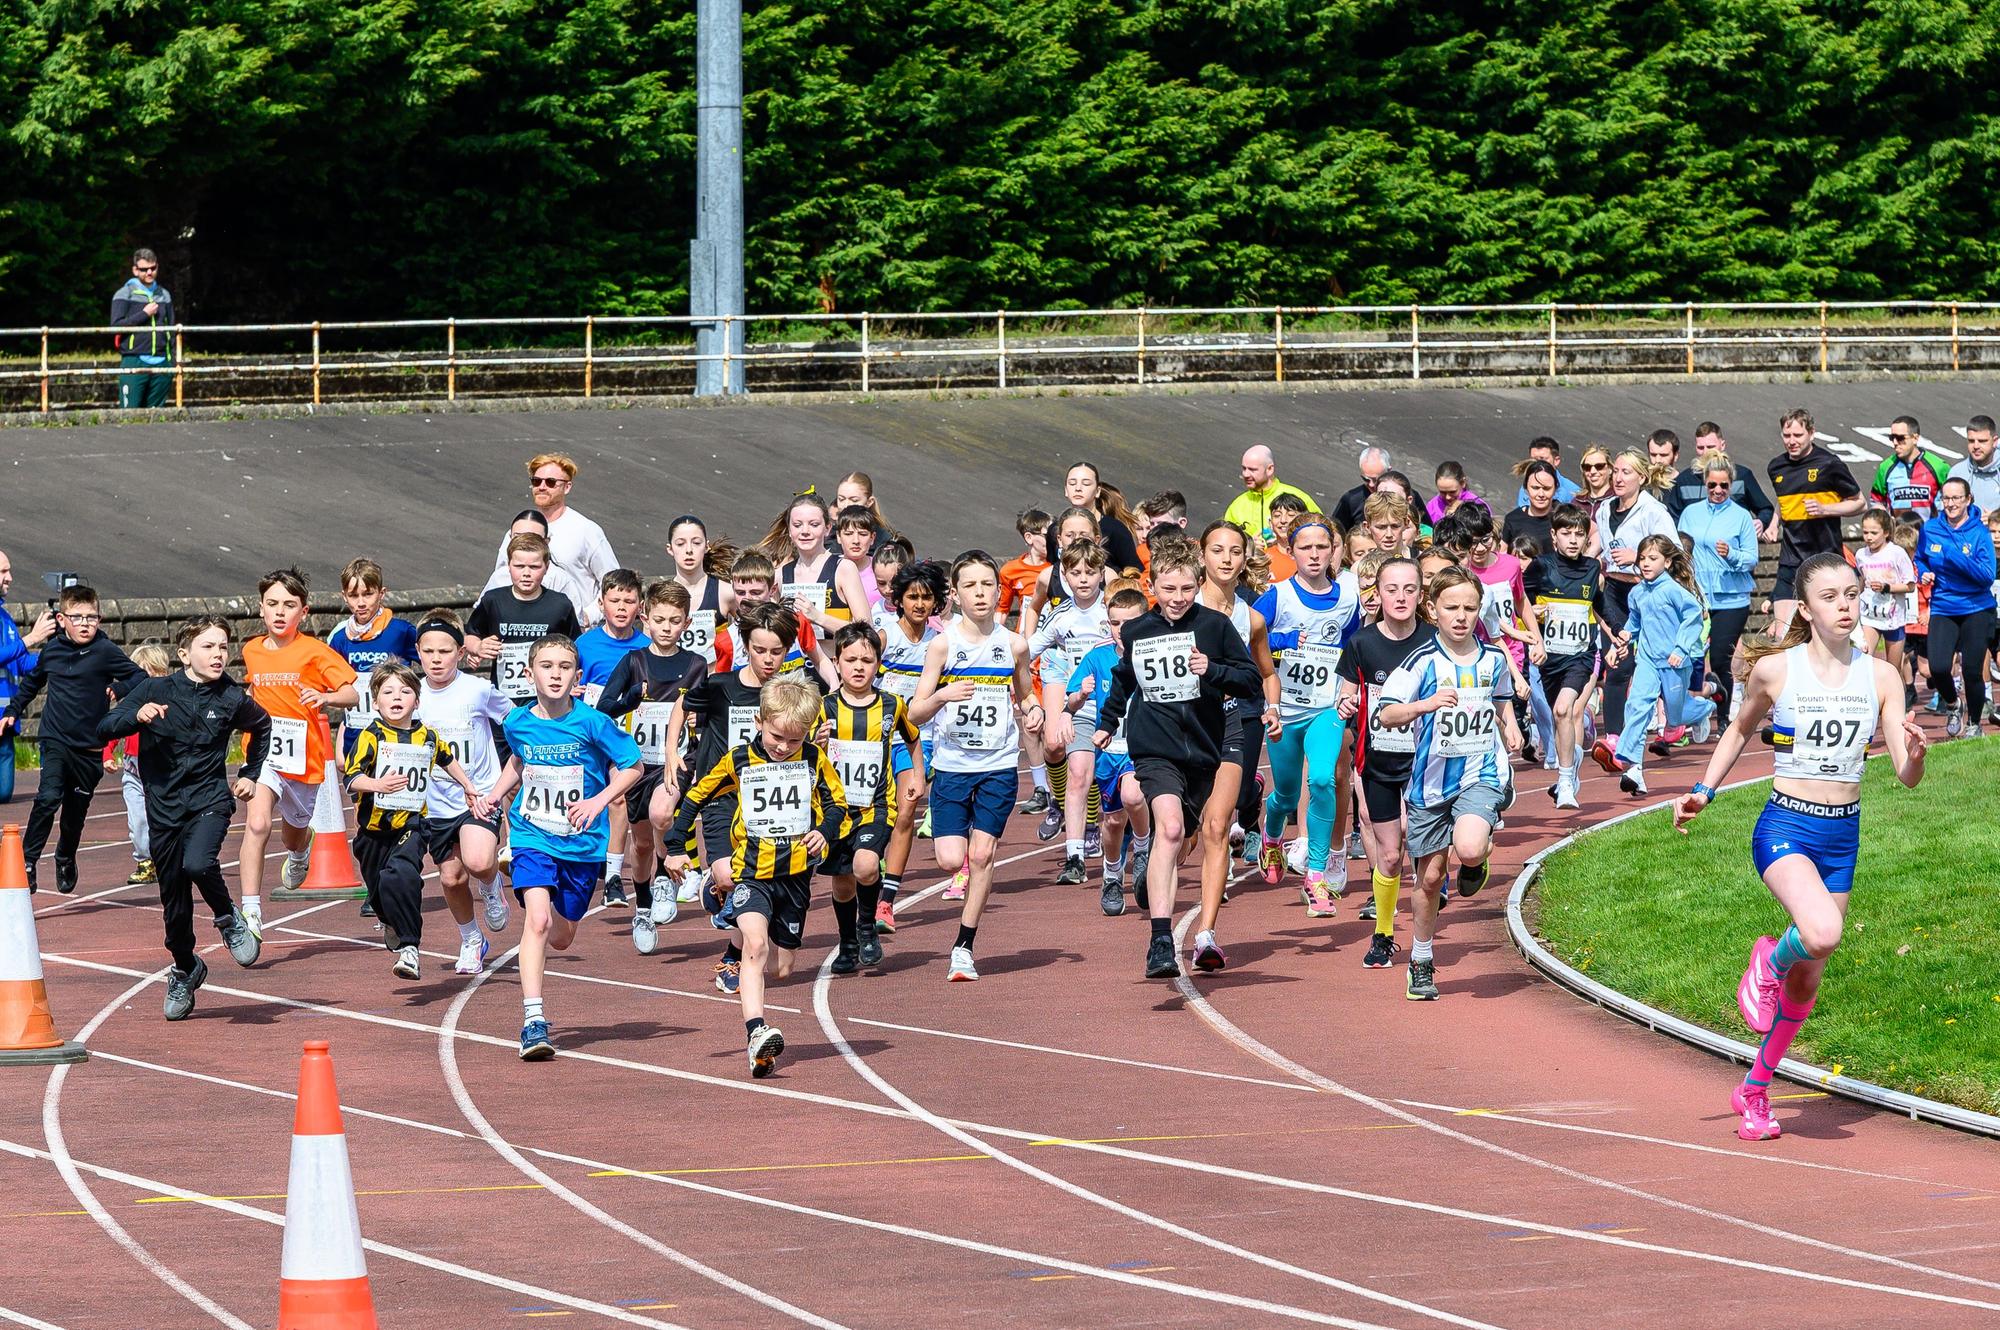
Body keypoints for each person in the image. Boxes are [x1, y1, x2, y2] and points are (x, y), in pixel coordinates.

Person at [1674, 552, 1926, 1142]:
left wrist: (1914, 754)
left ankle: (1754, 1091)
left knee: (1808, 982)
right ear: (1807, 609)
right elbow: (1738, 730)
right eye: (1830, 596)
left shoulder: (1881, 676)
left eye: (1851, 593)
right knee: (1820, 933)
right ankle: (1766, 959)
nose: (1844, 605)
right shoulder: (1778, 671)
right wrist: (1701, 792)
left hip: (1843, 833)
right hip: (1787, 824)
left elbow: (1905, 776)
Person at [1092, 534, 1261, 979]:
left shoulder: (1215, 627)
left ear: (1197, 583)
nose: (1178, 598)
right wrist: (1108, 723)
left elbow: (1250, 682)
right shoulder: (1137, 630)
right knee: (1168, 828)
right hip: (1157, 749)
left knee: (1198, 831)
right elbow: (1124, 682)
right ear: (1153, 586)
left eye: (1187, 589)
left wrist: (1215, 669)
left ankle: (1187, 916)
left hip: (1207, 749)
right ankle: (1161, 940)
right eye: (1169, 589)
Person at [663, 677, 847, 1077]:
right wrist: (675, 843)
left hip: (795, 876)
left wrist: (823, 831)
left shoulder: (815, 760)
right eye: (777, 736)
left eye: (794, 741)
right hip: (752, 873)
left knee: (783, 968)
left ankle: (718, 894)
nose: (783, 747)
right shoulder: (739, 758)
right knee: (755, 946)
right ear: (761, 721)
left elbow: (837, 806)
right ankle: (756, 1032)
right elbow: (696, 796)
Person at [97, 616, 268, 1018]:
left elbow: (263, 726)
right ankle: (185, 967)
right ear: (184, 653)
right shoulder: (156, 688)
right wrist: (134, 717)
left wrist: (248, 773)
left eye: (223, 647)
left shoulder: (231, 697)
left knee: (199, 862)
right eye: (208, 647)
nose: (218, 655)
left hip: (208, 799)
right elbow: (104, 727)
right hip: (164, 809)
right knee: (174, 903)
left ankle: (229, 919)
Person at [488, 634, 643, 1060]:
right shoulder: (516, 722)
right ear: (529, 673)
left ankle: (563, 911)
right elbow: (519, 761)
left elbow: (634, 766)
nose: (554, 674)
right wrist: (493, 792)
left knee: (561, 934)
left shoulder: (593, 723)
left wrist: (598, 801)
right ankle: (533, 1021)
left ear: (577, 678)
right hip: (532, 832)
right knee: (536, 920)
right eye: (546, 666)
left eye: (563, 668)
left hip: (581, 842)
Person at [1375, 566, 1522, 1001]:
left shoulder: (1494, 659)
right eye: (1451, 607)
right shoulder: (1421, 661)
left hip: (1481, 772)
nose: (1461, 616)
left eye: (1470, 608)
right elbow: (1387, 713)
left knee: (1472, 845)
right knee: (1431, 878)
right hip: (1429, 785)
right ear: (1433, 610)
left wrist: (1508, 724)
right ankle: (1421, 959)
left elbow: (1500, 697)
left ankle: (1476, 860)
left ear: (1480, 611)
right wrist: (1426, 704)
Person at [908, 551, 1041, 982]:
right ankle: (957, 855)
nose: (980, 593)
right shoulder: (943, 645)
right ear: (956, 594)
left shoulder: (1013, 645)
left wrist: (1034, 710)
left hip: (998, 765)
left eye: (987, 584)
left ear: (997, 591)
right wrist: (944, 695)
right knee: (952, 860)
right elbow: (915, 712)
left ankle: (964, 946)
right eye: (970, 585)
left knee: (982, 854)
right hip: (951, 765)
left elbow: (1025, 694)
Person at [342, 663, 489, 981]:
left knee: (403, 875)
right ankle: (389, 919)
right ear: (376, 701)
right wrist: (376, 785)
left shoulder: (427, 736)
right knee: (379, 891)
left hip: (412, 823)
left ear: (417, 701)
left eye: (406, 691)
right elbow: (351, 779)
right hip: (372, 832)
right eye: (388, 692)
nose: (397, 697)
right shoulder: (372, 737)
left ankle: (410, 949)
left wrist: (467, 786)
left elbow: (447, 758)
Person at [236, 568, 360, 934]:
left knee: (295, 831)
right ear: (261, 609)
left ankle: (298, 853)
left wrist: (325, 696)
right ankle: (251, 913)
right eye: (272, 604)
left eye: (289, 605)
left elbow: (351, 694)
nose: (279, 612)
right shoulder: (251, 650)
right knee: (257, 823)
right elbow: (254, 690)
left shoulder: (314, 651)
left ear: (303, 613)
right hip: (263, 754)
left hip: (302, 759)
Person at [1, 583, 143, 893]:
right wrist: (13, 709)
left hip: (89, 747)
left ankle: (65, 855)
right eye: (77, 617)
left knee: (75, 813)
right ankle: (27, 861)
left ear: (100, 620)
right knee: (48, 797)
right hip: (55, 740)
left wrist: (118, 690)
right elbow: (32, 683)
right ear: (62, 619)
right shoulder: (52, 650)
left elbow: (138, 676)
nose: (84, 624)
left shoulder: (105, 651)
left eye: (91, 618)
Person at [1253, 516, 1360, 914]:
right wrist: (1280, 640)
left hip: (1327, 710)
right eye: (1305, 547)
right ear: (1291, 551)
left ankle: (1316, 876)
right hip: (1284, 711)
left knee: (1321, 780)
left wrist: (1352, 695)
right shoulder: (1278, 597)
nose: (1314, 554)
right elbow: (1246, 636)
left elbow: (1355, 650)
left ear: (1333, 550)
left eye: (1322, 547)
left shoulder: (1348, 599)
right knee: (1284, 794)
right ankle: (1272, 832)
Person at [594, 579, 704, 953]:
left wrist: (696, 723)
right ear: (645, 619)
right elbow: (603, 708)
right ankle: (642, 908)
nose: (667, 627)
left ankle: (664, 879)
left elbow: (705, 714)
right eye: (659, 620)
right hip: (637, 764)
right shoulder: (634, 661)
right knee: (639, 844)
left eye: (675, 621)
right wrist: (630, 700)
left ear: (687, 623)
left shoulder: (695, 665)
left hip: (676, 761)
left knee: (662, 813)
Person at [1188, 520, 1278, 965]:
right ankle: (1157, 860)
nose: (1226, 559)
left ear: (1245, 560)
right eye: (1217, 550)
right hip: (1186, 724)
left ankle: (1205, 934)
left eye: (1235, 551)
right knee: (1187, 826)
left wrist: (1272, 707)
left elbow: (1266, 674)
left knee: (1220, 823)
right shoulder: (1182, 606)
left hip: (1237, 719)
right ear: (1202, 555)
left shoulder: (1252, 617)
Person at [1337, 556, 1433, 967]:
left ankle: (1431, 905)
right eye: (1391, 589)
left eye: (1409, 589)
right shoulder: (1362, 642)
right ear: (1377, 594)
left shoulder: (1434, 640)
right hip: (1378, 759)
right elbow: (1344, 691)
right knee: (1390, 856)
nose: (1400, 597)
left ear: (1420, 594)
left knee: (1418, 838)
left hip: (1426, 760)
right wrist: (1345, 703)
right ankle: (1383, 933)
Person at [411, 610, 515, 967]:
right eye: (429, 652)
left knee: (479, 860)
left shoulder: (478, 690)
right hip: (435, 804)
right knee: (452, 878)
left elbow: (513, 718)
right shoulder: (412, 695)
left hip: (481, 793)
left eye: (445, 651)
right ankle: (472, 939)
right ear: (418, 652)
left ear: (460, 652)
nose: (436, 659)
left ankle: (490, 887)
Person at [818, 622, 921, 974]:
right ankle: (847, 941)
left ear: (879, 664)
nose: (859, 667)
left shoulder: (891, 705)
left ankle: (866, 927)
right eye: (851, 659)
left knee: (864, 865)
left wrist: (917, 775)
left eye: (867, 659)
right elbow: (805, 753)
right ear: (836, 663)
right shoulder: (824, 707)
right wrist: (816, 744)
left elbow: (912, 738)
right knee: (842, 881)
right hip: (833, 810)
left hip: (875, 806)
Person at [1591, 535, 1714, 794]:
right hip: (1647, 660)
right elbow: (1634, 622)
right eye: (1642, 558)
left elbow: (1694, 618)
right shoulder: (1636, 593)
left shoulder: (1675, 591)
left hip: (1674, 663)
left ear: (1668, 562)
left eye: (1653, 558)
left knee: (1676, 715)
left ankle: (1704, 708)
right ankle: (1632, 768)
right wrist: (1619, 644)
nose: (1645, 564)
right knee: (1637, 706)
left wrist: (1681, 648)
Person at [1032, 540, 1113, 886]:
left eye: (1090, 572)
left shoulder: (1112, 611)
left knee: (1122, 788)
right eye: (1075, 573)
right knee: (1079, 774)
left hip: (1115, 708)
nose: (1083, 579)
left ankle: (1133, 845)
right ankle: (1075, 857)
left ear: (1101, 574)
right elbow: (1028, 648)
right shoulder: (1060, 615)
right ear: (1064, 576)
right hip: (1079, 707)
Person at [873, 561, 946, 933]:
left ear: (936, 602)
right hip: (873, 738)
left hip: (914, 738)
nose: (919, 604)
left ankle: (886, 902)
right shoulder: (885, 636)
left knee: (906, 811)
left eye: (926, 597)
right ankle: (871, 870)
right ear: (898, 600)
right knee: (876, 819)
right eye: (912, 596)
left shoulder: (939, 642)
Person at [1591, 449, 1678, 754]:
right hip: (1615, 590)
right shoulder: (1603, 510)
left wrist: (1638, 558)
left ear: (1641, 477)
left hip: (1648, 594)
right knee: (1617, 662)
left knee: (1660, 663)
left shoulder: (1653, 511)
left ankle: (1677, 715)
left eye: (1626, 472)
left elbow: (1675, 553)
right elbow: (1599, 548)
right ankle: (1614, 737)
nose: (1617, 477)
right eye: (1615, 471)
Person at [1524, 504, 1601, 808]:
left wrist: (1618, 630)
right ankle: (1572, 761)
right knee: (1562, 720)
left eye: (1579, 534)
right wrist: (1533, 614)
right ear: (1554, 536)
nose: (1572, 540)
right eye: (1566, 533)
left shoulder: (1592, 569)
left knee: (1562, 710)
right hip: (1549, 658)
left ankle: (1565, 781)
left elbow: (1601, 604)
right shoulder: (1541, 566)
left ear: (1586, 539)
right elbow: (1521, 601)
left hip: (1581, 655)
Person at [1677, 453, 1762, 728]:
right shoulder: (1690, 514)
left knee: (1720, 658)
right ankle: (1692, 709)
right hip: (1698, 596)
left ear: (1731, 486)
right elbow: (1679, 549)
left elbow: (1752, 558)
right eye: (1713, 485)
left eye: (1724, 486)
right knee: (1689, 654)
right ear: (1705, 483)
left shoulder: (1740, 517)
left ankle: (1724, 718)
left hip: (1731, 598)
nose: (1718, 491)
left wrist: (1732, 555)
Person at [1767, 407, 1863, 636]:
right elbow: (1786, 501)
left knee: (1824, 632)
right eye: (1787, 436)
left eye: (1798, 435)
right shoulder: (1776, 467)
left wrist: (1825, 509)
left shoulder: (1829, 463)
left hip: (1823, 557)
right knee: (1783, 634)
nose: (1792, 441)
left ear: (1811, 433)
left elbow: (1860, 502)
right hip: (1790, 559)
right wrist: (1774, 523)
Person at [1914, 477, 1997, 738]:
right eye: (1946, 499)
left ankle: (1974, 724)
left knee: (1972, 669)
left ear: (1967, 500)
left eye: (1956, 498)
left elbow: (1986, 576)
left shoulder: (1979, 532)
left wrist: (1954, 555)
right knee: (1938, 667)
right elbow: (1920, 558)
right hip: (1943, 606)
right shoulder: (1931, 528)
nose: (1950, 504)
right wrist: (1925, 573)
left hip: (1977, 607)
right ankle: (1953, 704)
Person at [490, 455, 620, 621]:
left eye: (550, 482)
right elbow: (501, 576)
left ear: (567, 487)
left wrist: (589, 615)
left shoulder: (586, 530)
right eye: (536, 481)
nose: (542, 487)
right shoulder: (517, 530)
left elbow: (613, 581)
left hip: (573, 628)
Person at [466, 533, 583, 707]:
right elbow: (470, 635)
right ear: (508, 566)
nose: (526, 573)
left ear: (547, 567)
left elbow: (576, 647)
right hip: (505, 701)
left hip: (549, 701)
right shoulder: (493, 600)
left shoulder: (560, 604)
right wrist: (478, 647)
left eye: (534, 567)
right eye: (519, 566)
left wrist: (572, 682)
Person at [329, 558, 420, 759]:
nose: (361, 602)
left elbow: (433, 661)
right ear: (344, 597)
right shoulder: (340, 639)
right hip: (357, 734)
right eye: (354, 596)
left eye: (368, 594)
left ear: (382, 593)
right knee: (361, 789)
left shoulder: (400, 631)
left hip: (397, 735)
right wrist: (342, 731)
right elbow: (332, 686)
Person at [104, 643, 172, 886]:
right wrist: (108, 755)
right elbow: (113, 729)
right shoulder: (130, 703)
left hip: (163, 770)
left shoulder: (169, 701)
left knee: (165, 817)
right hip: (133, 771)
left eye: (151, 673)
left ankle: (170, 857)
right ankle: (145, 860)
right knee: (138, 820)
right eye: (139, 674)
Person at [0, 551, 57, 804]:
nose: (10, 578)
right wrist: (31, 638)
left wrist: (56, 652)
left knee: (3, 793)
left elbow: (21, 663)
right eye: (3, 571)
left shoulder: (5, 618)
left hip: (5, 723)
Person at [765, 490, 868, 629]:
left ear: (827, 528)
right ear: (789, 530)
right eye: (797, 525)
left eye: (814, 524)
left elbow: (866, 628)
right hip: (795, 652)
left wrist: (818, 617)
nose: (805, 531)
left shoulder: (843, 569)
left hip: (834, 651)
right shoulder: (780, 576)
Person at [482, 510, 595, 622]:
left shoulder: (561, 580)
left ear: (546, 542)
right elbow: (479, 623)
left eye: (533, 538)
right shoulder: (499, 577)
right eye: (517, 537)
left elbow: (574, 630)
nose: (524, 543)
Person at [1671, 422, 1778, 534]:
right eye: (1700, 447)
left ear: (1722, 445)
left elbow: (1765, 509)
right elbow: (1673, 517)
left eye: (1711, 447)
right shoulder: (1684, 480)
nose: (1706, 452)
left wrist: (1761, 522)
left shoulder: (1742, 475)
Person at [1854, 508, 1917, 696]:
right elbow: (1862, 581)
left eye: (1874, 533)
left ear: (1886, 533)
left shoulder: (1896, 553)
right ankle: (1866, 701)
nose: (1869, 537)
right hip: (1870, 616)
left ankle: (1895, 702)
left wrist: (1886, 587)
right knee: (1862, 659)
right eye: (1865, 532)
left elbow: (1910, 586)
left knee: (1892, 668)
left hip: (1893, 617)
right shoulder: (1861, 555)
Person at [1045, 463, 1143, 572]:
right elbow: (1053, 570)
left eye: (1086, 484)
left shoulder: (1115, 530)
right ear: (1066, 490)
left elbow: (1135, 571)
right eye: (1072, 483)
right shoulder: (1054, 530)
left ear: (1097, 491)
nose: (1078, 488)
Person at [666, 514, 736, 665]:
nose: (689, 550)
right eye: (680, 544)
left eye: (696, 543)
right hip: (673, 683)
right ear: (670, 549)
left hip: (713, 682)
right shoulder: (660, 596)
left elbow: (749, 634)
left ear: (706, 546)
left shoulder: (726, 593)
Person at [112, 248, 175, 409]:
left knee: (156, 416)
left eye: (153, 268)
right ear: (135, 270)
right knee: (129, 414)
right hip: (134, 360)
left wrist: (172, 361)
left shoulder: (165, 295)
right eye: (144, 269)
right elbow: (115, 327)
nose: (149, 272)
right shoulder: (124, 294)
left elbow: (172, 330)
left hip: (162, 363)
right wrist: (144, 314)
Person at [1224, 445, 1320, 545]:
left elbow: (1324, 534)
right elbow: (1226, 541)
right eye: (1244, 469)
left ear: (1270, 469)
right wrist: (1248, 545)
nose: (1246, 474)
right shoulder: (1237, 506)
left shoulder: (1298, 497)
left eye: (1252, 470)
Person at [1867, 416, 1952, 522]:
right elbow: (1876, 501)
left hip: (1931, 536)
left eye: (1900, 438)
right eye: (1892, 437)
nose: (1895, 442)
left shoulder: (1939, 467)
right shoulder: (1885, 467)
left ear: (1915, 438)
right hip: (1898, 535)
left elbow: (1953, 501)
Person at [1503, 461, 1562, 555]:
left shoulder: (1564, 516)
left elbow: (1593, 532)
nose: (1541, 494)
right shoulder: (1513, 519)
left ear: (1555, 489)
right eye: (1535, 488)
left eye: (1546, 488)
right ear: (1526, 489)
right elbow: (1503, 555)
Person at [1947, 415, 2000, 514]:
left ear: (1995, 441)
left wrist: (1995, 519)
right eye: (1971, 441)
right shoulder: (1957, 472)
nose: (1976, 446)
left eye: (1982, 441)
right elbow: (1944, 508)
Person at [1512, 437, 1581, 508]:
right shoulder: (1526, 488)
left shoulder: (1574, 492)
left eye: (1542, 459)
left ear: (1556, 461)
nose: (1538, 464)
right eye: (1533, 460)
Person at [1425, 462, 1489, 527]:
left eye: (1452, 492)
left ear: (1463, 483)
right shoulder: (1432, 507)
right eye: (1443, 492)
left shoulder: (1478, 506)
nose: (1448, 497)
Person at [1573, 445, 1615, 525]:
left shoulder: (1618, 501)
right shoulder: (1576, 502)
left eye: (1599, 466)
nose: (1592, 471)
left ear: (1610, 469)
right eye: (1587, 467)